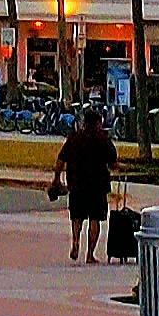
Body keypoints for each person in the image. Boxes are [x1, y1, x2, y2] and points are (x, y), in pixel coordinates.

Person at [49, 103, 117, 263]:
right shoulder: (103, 140)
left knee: (77, 216)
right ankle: (90, 254)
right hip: (97, 186)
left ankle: (75, 242)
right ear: (98, 123)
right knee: (95, 219)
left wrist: (56, 178)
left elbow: (60, 160)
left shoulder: (74, 138)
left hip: (76, 184)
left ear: (84, 123)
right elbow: (113, 164)